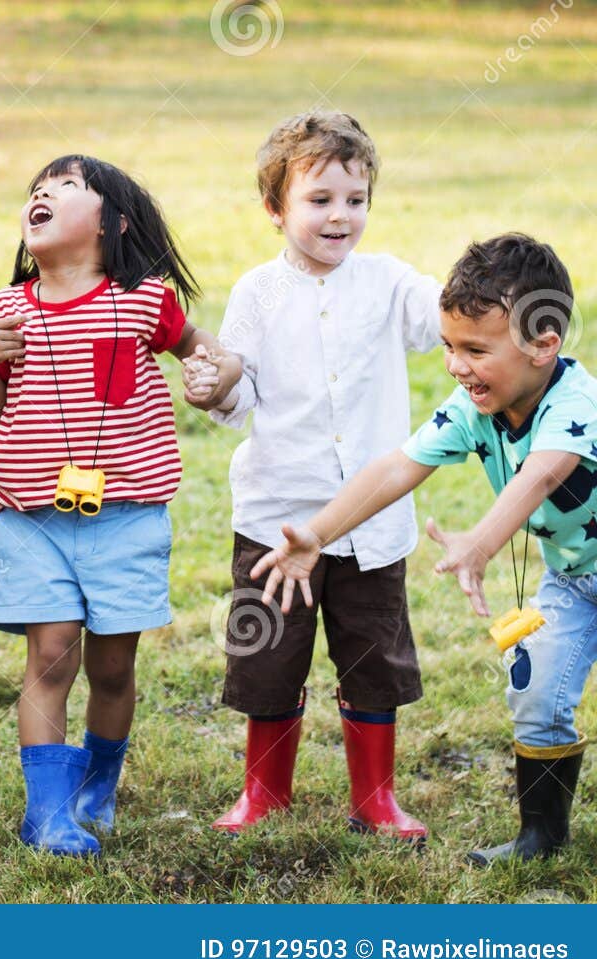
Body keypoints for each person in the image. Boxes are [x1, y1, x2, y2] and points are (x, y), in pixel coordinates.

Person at [252, 233, 592, 865]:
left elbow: (539, 477)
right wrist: (319, 534)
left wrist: (480, 543)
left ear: (544, 345)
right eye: (448, 346)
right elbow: (395, 468)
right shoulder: (474, 406)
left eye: (476, 350)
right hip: (573, 581)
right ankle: (540, 839)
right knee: (538, 691)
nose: (457, 366)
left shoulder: (575, 406)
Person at [0, 153, 239, 857]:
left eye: (64, 186)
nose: (42, 194)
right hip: (32, 518)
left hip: (127, 517)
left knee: (112, 667)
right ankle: (47, 813)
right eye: (36, 189)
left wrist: (219, 372)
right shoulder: (8, 308)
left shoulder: (145, 299)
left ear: (111, 222)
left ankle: (99, 783)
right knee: (50, 656)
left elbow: (202, 350)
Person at [199, 111, 440, 840]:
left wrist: (491, 300)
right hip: (277, 518)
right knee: (270, 662)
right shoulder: (256, 294)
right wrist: (216, 387)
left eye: (356, 200)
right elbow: (238, 397)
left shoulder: (389, 281)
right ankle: (264, 792)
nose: (341, 216)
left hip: (371, 525)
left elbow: (441, 318)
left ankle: (376, 799)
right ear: (276, 209)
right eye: (320, 200)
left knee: (375, 661)